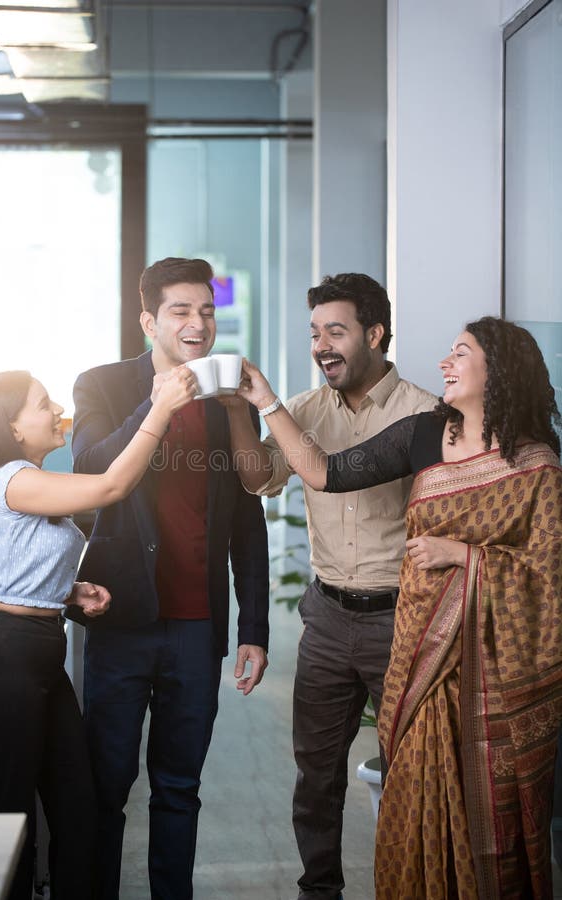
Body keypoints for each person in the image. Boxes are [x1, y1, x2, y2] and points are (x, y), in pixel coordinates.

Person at [239, 315, 562, 899]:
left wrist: (464, 555)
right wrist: (265, 401)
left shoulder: (537, 468)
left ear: (499, 371)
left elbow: (548, 575)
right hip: (421, 655)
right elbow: (326, 473)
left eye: (460, 353)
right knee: (412, 784)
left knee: (489, 796)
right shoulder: (422, 432)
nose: (445, 362)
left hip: (492, 670)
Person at [223, 273, 435, 900]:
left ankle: (409, 885)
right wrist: (239, 410)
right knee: (315, 776)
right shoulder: (306, 411)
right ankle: (321, 890)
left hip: (399, 620)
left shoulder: (423, 414)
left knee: (408, 771)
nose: (322, 346)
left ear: (375, 333)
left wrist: (264, 405)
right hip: (325, 621)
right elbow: (259, 477)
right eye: (314, 333)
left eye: (336, 331)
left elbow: (330, 474)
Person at [67, 256, 270, 900]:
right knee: (107, 784)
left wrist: (254, 627)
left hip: (197, 627)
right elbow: (93, 471)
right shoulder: (100, 384)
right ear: (149, 320)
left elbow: (248, 516)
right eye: (181, 311)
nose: (198, 323)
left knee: (179, 789)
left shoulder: (225, 402)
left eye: (207, 311)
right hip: (120, 619)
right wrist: (159, 404)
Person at [0, 365, 196, 900]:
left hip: (40, 657)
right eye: (42, 403)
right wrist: (161, 406)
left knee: (77, 808)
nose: (56, 412)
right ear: (13, 426)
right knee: (7, 819)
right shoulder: (14, 480)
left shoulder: (26, 483)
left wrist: (68, 592)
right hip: (6, 661)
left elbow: (11, 562)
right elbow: (112, 484)